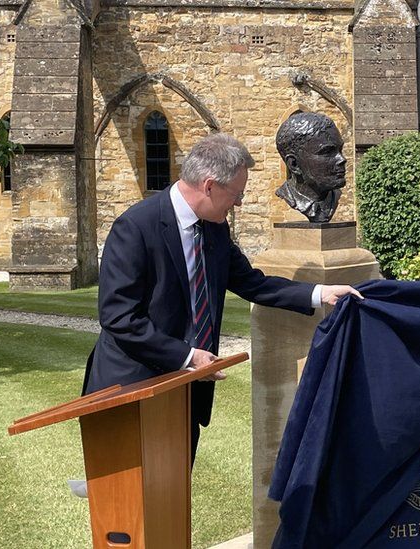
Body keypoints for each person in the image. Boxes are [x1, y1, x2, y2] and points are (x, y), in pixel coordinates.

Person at [82, 133, 361, 462]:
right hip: (130, 389)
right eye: (237, 194)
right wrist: (188, 357)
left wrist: (319, 292)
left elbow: (251, 283)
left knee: (171, 502)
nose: (239, 203)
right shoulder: (135, 228)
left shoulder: (214, 227)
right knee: (127, 507)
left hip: (184, 396)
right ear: (209, 186)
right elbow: (118, 317)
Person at [275, 112, 347, 223]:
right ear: (294, 164)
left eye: (340, 150)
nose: (342, 159)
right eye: (327, 152)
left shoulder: (335, 196)